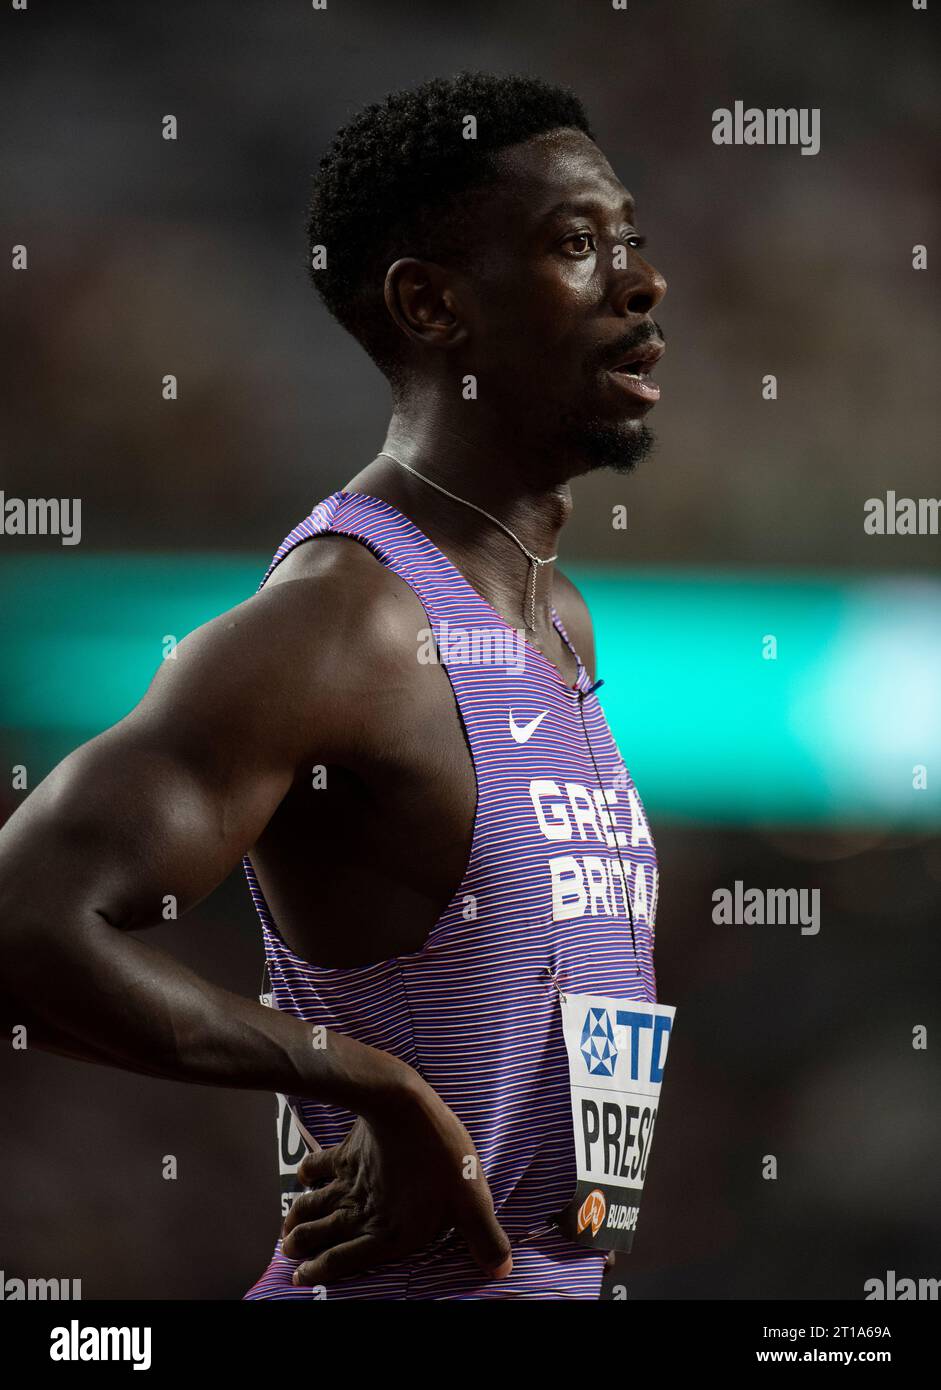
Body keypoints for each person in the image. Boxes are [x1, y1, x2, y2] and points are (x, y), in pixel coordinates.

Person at [0, 71, 666, 1300]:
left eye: (628, 237)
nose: (639, 279)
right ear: (431, 305)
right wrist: (365, 1084)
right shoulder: (341, 622)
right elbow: (26, 916)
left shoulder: (554, 614)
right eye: (574, 245)